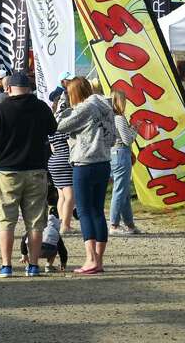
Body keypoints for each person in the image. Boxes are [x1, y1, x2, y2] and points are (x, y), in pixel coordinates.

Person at [0, 71, 58, 278]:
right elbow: (53, 129)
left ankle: (6, 266)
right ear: (29, 88)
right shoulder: (41, 107)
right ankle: (33, 265)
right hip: (36, 170)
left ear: (8, 89)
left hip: (8, 172)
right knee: (35, 221)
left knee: (6, 219)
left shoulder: (2, 109)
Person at [56, 77, 116, 274]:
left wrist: (62, 103)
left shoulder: (84, 108)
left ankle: (90, 259)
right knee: (98, 211)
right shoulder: (105, 105)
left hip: (84, 162)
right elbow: (113, 136)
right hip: (103, 161)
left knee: (84, 211)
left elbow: (59, 125)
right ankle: (99, 259)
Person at [108, 88, 141, 235]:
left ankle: (129, 224)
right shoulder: (119, 118)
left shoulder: (109, 118)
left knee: (124, 190)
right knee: (120, 190)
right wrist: (135, 129)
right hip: (121, 152)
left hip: (114, 153)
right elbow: (127, 139)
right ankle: (114, 224)